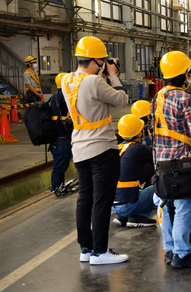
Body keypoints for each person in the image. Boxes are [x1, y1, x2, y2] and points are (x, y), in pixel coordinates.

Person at [62, 36, 129, 265]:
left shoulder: (67, 80)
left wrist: (102, 75)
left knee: (85, 199)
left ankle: (86, 249)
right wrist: (113, 75)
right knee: (102, 200)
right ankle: (100, 252)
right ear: (96, 61)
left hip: (79, 148)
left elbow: (88, 95)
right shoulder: (95, 82)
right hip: (101, 148)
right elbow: (121, 99)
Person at [151, 50, 191, 269]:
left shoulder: (157, 97)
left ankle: (170, 249)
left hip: (162, 162)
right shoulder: (186, 99)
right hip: (182, 163)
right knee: (185, 206)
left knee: (167, 205)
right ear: (184, 75)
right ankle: (182, 254)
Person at [111, 114, 156, 228]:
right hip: (128, 205)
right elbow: (157, 159)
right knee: (161, 186)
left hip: (113, 205)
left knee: (147, 170)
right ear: (139, 133)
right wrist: (153, 140)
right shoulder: (138, 148)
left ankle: (122, 217)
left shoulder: (119, 147)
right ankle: (137, 216)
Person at [49, 72, 73, 194]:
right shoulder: (64, 96)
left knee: (61, 164)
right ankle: (56, 188)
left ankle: (60, 187)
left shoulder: (55, 96)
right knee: (60, 165)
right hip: (62, 136)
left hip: (58, 137)